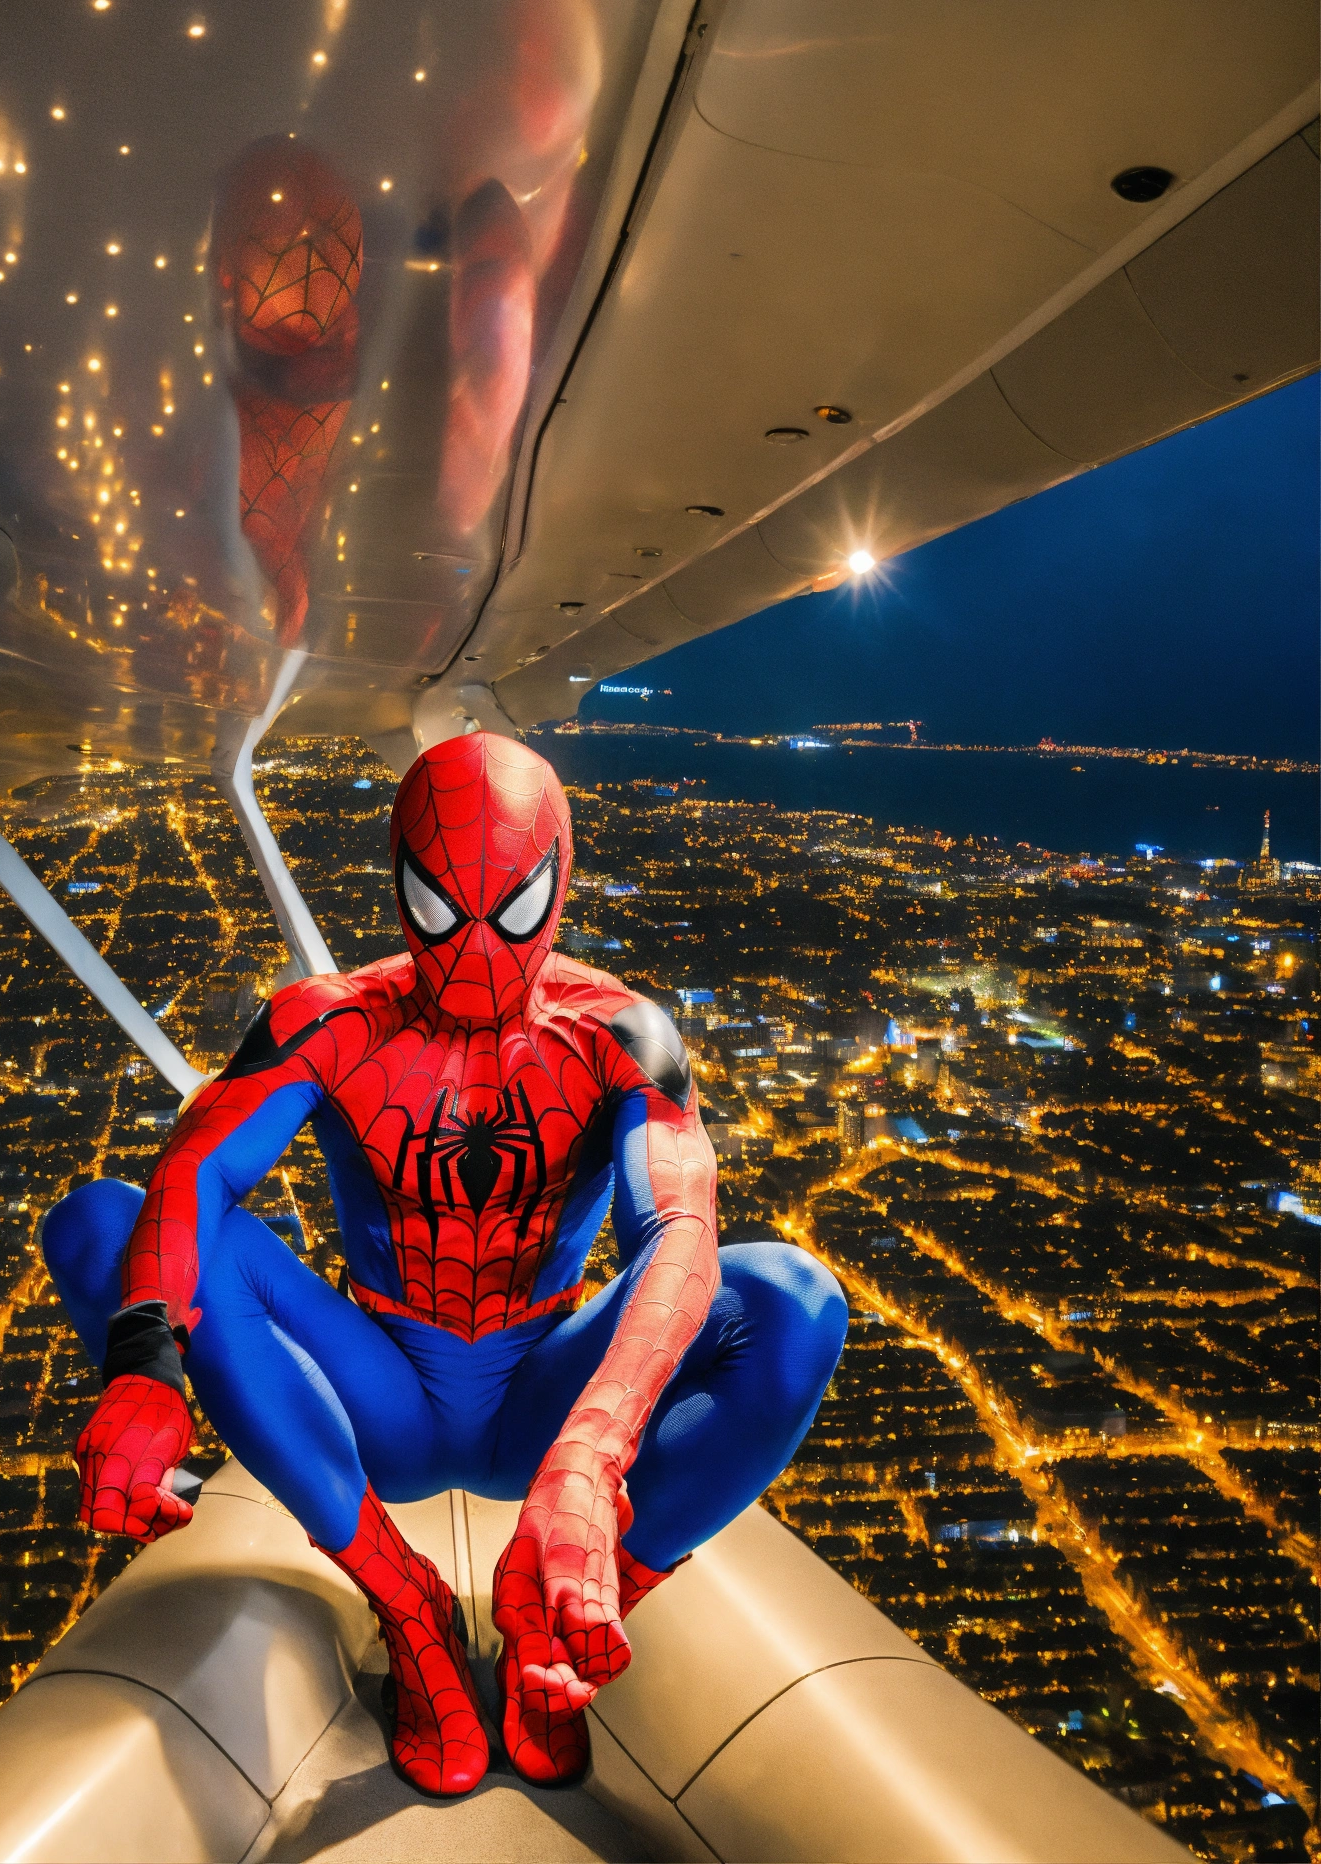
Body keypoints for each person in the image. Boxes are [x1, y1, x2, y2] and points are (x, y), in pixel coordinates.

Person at [43, 733, 846, 1797]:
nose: (474, 950)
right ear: (399, 885)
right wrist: (144, 1358)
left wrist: (587, 1460)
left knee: (791, 1298)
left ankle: (554, 1629)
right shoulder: (329, 1022)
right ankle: (404, 1602)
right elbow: (193, 1169)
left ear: (557, 882)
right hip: (379, 1392)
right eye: (439, 908)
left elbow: (681, 1230)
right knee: (104, 1222)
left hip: (545, 1393)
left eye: (508, 911)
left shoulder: (617, 1032)